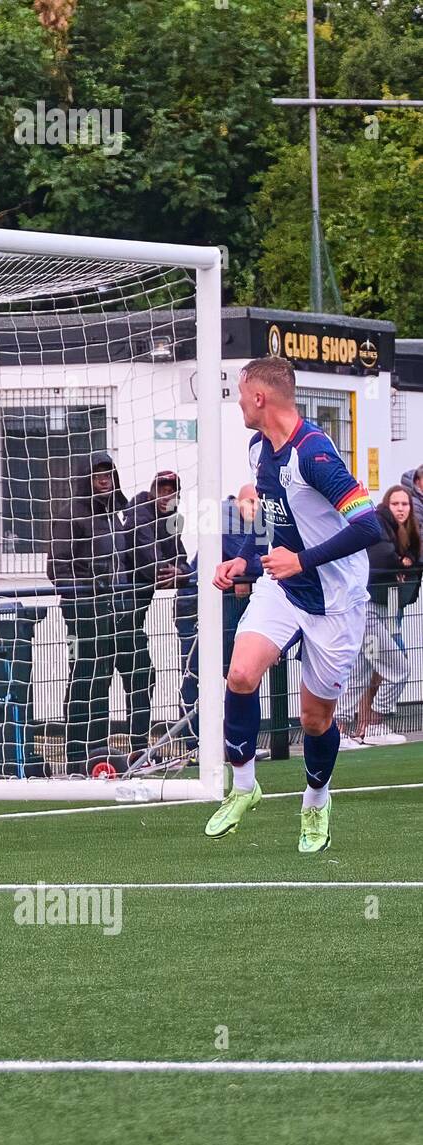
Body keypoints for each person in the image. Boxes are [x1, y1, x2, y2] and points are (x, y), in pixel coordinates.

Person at [205, 356, 380, 853]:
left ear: (260, 398)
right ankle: (244, 788)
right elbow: (270, 520)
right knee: (239, 675)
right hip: (283, 589)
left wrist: (301, 561)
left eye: (241, 393)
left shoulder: (316, 456)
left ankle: (316, 801)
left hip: (336, 603)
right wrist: (242, 560)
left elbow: (369, 527)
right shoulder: (261, 446)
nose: (238, 402)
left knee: (314, 721)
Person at [47, 451, 126, 772]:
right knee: (83, 677)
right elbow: (57, 569)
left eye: (108, 475)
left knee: (103, 678)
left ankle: (97, 749)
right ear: (86, 479)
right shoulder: (70, 515)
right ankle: (77, 753)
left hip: (115, 611)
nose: (104, 481)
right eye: (97, 476)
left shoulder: (115, 516)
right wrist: (89, 592)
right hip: (82, 611)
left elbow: (125, 561)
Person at [176, 485, 266, 749]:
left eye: (259, 503)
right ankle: (194, 745)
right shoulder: (224, 521)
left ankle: (232, 742)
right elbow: (256, 559)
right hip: (194, 608)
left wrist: (248, 574)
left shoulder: (257, 525)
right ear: (237, 501)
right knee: (196, 673)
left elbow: (261, 560)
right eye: (250, 501)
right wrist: (249, 571)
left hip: (225, 609)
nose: (255, 507)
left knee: (236, 673)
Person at [338, 484, 421, 746]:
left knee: (362, 671)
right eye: (395, 503)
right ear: (386, 504)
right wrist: (400, 563)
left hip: (384, 609)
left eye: (405, 504)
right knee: (399, 668)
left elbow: (414, 559)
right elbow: (381, 557)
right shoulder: (378, 522)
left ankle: (339, 731)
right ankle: (373, 724)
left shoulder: (408, 533)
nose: (400, 509)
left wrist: (405, 561)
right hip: (368, 609)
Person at [118, 469, 189, 758]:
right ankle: (84, 754)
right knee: (98, 681)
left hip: (134, 614)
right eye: (162, 489)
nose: (166, 496)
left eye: (171, 491)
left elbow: (181, 561)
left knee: (141, 678)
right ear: (151, 491)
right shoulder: (138, 513)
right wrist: (175, 573)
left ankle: (137, 751)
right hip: (114, 610)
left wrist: (180, 573)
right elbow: (154, 565)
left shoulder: (172, 520)